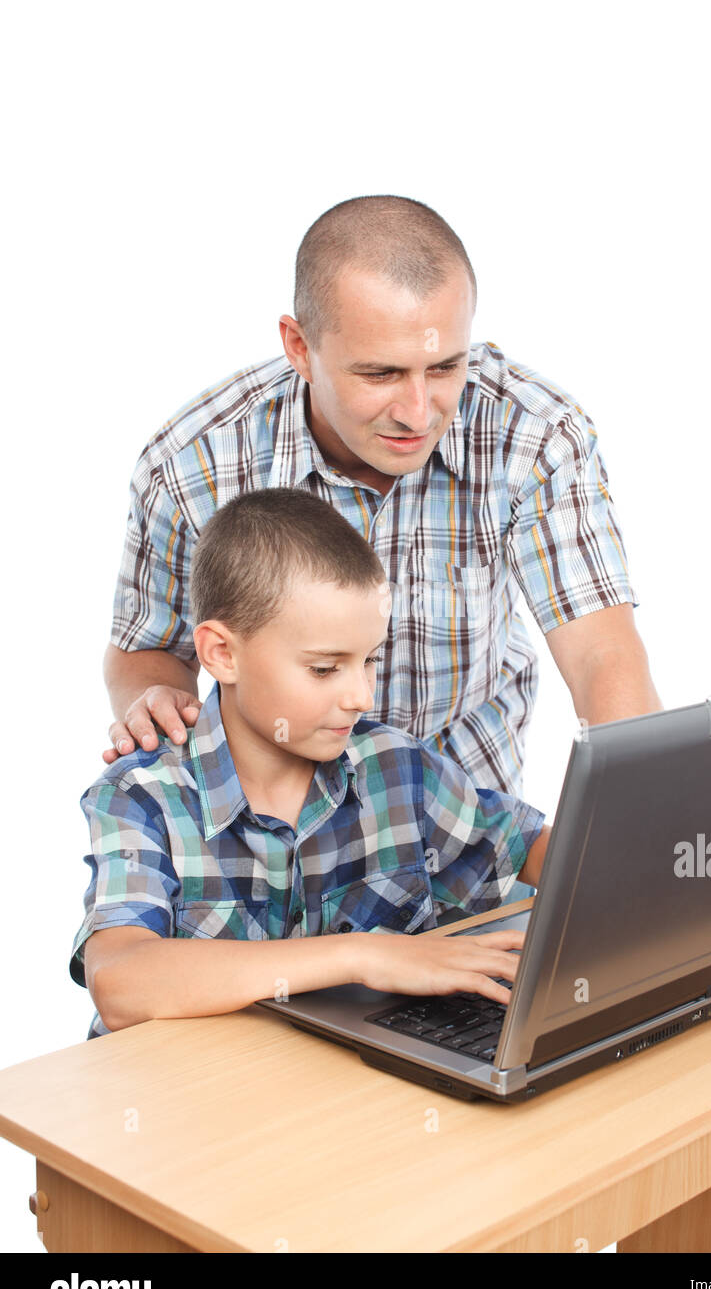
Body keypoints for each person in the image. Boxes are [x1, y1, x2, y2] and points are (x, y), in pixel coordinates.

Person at [102, 194, 661, 813]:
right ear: (299, 346)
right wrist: (154, 699)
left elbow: (602, 654)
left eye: (446, 366)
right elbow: (148, 644)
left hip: (469, 832)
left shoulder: (534, 435)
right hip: (272, 849)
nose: (419, 414)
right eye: (381, 374)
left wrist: (636, 816)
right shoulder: (189, 463)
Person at [72, 489, 550, 1041]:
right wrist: (360, 955)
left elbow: (541, 849)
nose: (361, 697)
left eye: (369, 659)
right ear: (222, 654)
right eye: (325, 669)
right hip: (192, 1110)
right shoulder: (141, 796)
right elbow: (121, 982)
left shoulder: (398, 768)